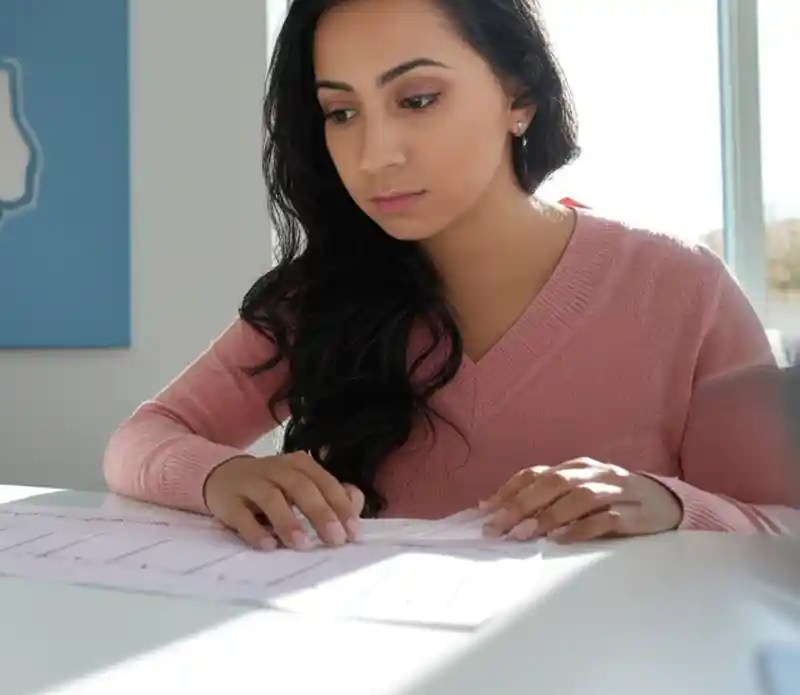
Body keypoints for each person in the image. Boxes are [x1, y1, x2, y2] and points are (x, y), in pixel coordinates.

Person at [103, 0, 799, 551]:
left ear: (518, 96)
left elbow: (783, 524)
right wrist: (224, 476)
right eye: (341, 113)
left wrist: (673, 505)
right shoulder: (319, 298)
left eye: (417, 99)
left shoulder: (681, 289)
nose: (374, 155)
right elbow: (141, 440)